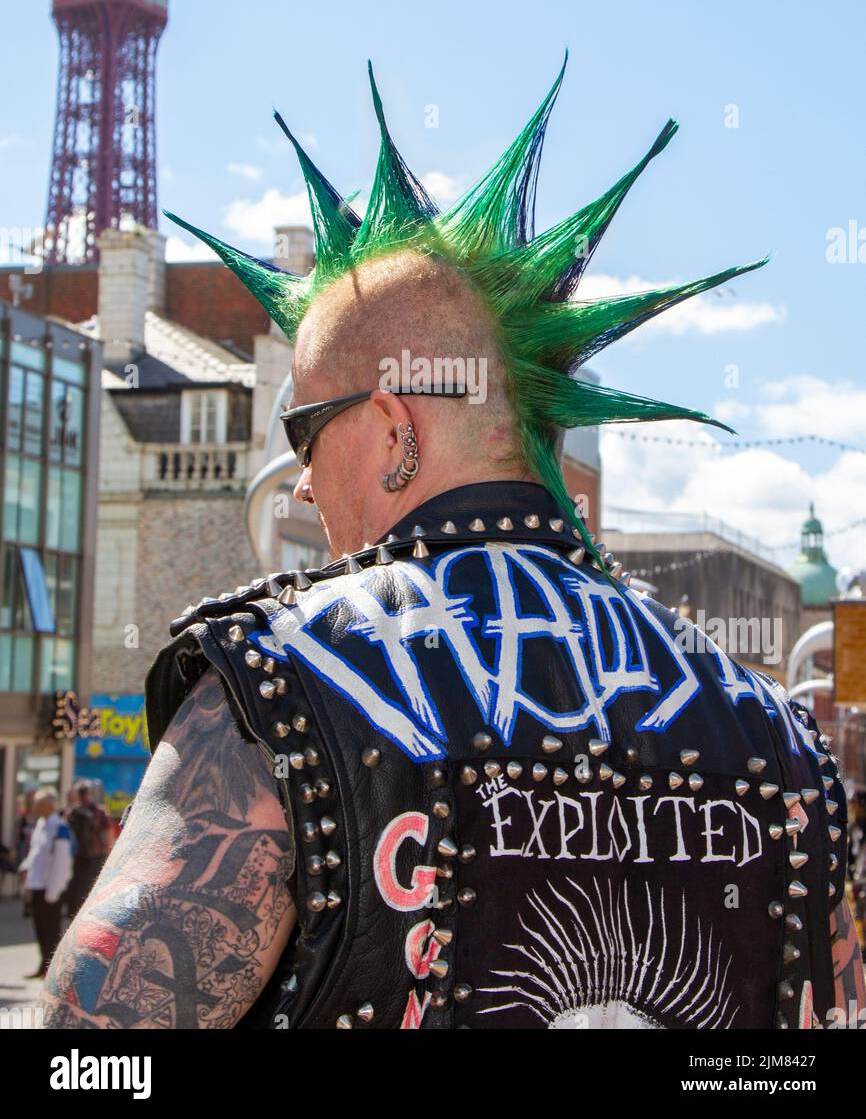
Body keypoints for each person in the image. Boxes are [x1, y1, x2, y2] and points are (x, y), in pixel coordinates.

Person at [42, 60, 866, 1029]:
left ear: (394, 434)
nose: (301, 479)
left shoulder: (285, 677)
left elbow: (90, 1050)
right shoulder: (778, 738)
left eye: (304, 429)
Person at [18, 788, 73, 979]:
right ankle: (43, 966)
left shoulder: (60, 828)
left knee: (51, 930)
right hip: (37, 885)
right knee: (40, 929)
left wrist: (54, 890)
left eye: (38, 804)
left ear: (49, 806)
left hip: (50, 888)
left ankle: (52, 970)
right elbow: (35, 853)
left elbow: (61, 862)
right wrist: (25, 868)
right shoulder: (41, 824)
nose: (34, 807)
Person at [64, 779, 108, 919]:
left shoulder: (71, 812)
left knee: (76, 886)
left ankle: (74, 914)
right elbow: (107, 836)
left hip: (76, 856)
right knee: (92, 887)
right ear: (90, 793)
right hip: (94, 856)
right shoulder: (99, 811)